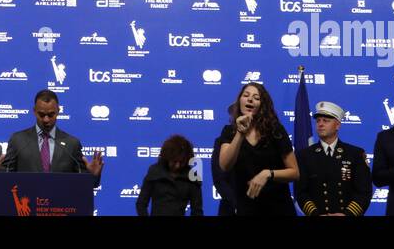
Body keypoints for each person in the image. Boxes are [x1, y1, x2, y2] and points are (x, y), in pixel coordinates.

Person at [214, 82, 298, 216]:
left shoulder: (276, 130)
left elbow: (294, 172)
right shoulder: (229, 132)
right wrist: (240, 133)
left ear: (262, 106)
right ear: (239, 101)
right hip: (246, 207)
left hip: (278, 207)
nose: (250, 99)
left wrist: (268, 174)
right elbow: (225, 165)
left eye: (256, 98)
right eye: (246, 95)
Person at [0, 89, 104, 183]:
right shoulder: (18, 140)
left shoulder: (72, 143)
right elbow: (5, 179)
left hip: (61, 208)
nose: (46, 119)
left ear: (58, 111)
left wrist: (93, 176)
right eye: (41, 115)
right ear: (34, 111)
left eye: (51, 115)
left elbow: (82, 183)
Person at [294, 101, 372, 217]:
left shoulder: (355, 154)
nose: (320, 124)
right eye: (318, 120)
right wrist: (315, 214)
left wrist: (347, 214)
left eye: (326, 121)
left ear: (337, 125)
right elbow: (301, 193)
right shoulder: (304, 155)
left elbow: (363, 192)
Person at [136, 134, 203, 216]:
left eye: (182, 162)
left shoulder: (193, 176)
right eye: (174, 162)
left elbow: (197, 211)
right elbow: (141, 204)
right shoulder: (155, 172)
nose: (177, 165)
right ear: (167, 158)